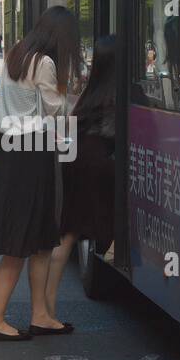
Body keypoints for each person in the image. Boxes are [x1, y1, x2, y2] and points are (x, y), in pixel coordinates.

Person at [0, 6, 79, 341]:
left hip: (10, 147)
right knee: (23, 240)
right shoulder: (46, 62)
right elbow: (54, 108)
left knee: (38, 240)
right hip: (32, 150)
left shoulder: (17, 53)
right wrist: (68, 89)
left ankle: (40, 315)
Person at [43, 35, 117, 317]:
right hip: (103, 166)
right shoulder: (123, 94)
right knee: (107, 225)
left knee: (67, 235)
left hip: (77, 163)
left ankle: (47, 307)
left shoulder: (90, 93)